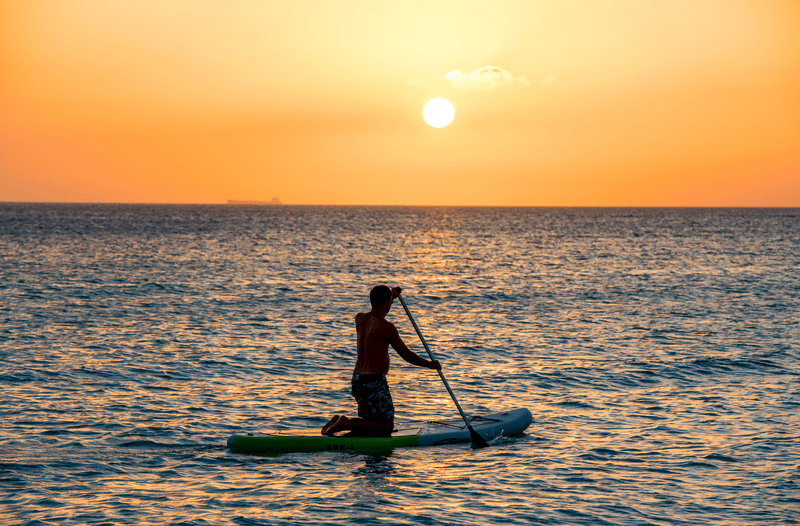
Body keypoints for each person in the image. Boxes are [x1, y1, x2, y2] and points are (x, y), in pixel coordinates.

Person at [321, 285, 441, 436]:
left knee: (371, 423)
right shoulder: (387, 327)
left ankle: (340, 423)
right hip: (374, 382)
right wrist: (429, 364)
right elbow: (406, 355)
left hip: (358, 379)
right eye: (389, 302)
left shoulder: (360, 319)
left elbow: (377, 310)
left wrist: (391, 296)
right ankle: (346, 423)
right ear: (386, 303)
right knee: (385, 427)